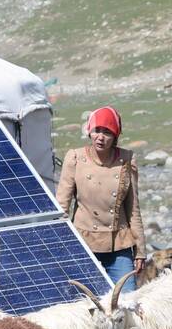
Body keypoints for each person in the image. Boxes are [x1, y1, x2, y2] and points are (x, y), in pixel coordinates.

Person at [57, 106, 146, 292]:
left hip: (119, 246)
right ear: (89, 131)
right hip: (85, 245)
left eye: (107, 132)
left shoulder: (127, 160)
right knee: (85, 304)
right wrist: (61, 246)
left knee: (128, 300)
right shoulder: (75, 158)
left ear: (115, 136)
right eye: (97, 130)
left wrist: (140, 251)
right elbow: (62, 206)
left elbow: (133, 209)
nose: (101, 137)